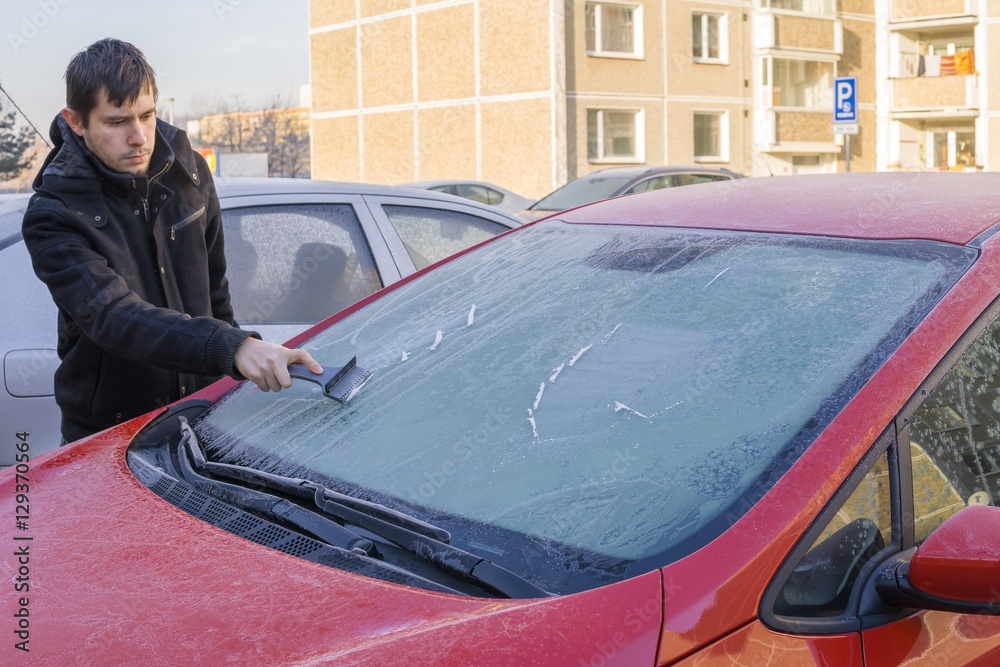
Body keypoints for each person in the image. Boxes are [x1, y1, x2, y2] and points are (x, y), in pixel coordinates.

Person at [22, 38, 321, 443]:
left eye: (147, 116)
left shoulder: (190, 172)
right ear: (76, 122)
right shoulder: (53, 213)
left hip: (203, 420)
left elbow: (216, 298)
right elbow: (113, 317)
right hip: (110, 435)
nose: (139, 137)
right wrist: (232, 348)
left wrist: (235, 371)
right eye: (116, 122)